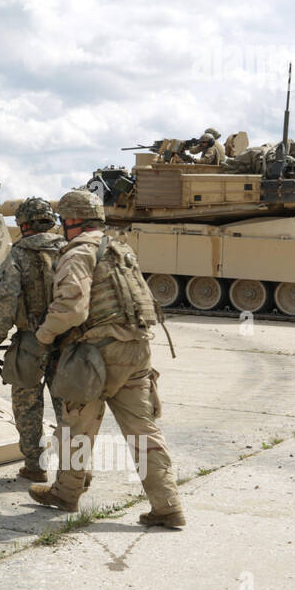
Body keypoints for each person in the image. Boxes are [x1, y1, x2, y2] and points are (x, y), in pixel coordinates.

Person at [28, 189, 185, 528]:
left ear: (71, 220)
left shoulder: (79, 253)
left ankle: (66, 493)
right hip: (138, 350)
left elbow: (72, 308)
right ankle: (168, 505)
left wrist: (44, 336)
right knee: (144, 431)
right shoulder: (120, 249)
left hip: (94, 355)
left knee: (76, 425)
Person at [0, 197, 65, 481]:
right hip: (67, 342)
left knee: (28, 406)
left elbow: (6, 305)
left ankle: (35, 467)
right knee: (71, 410)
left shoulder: (16, 256)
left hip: (31, 343)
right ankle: (75, 473)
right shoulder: (72, 252)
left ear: (23, 224)